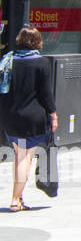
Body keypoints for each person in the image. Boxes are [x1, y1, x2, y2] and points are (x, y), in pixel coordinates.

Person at [1, 26, 58, 211]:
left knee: (19, 156)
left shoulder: (9, 60)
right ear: (37, 41)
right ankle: (15, 200)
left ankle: (19, 197)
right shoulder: (41, 63)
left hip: (10, 117)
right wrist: (53, 115)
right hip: (31, 117)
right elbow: (46, 95)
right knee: (25, 158)